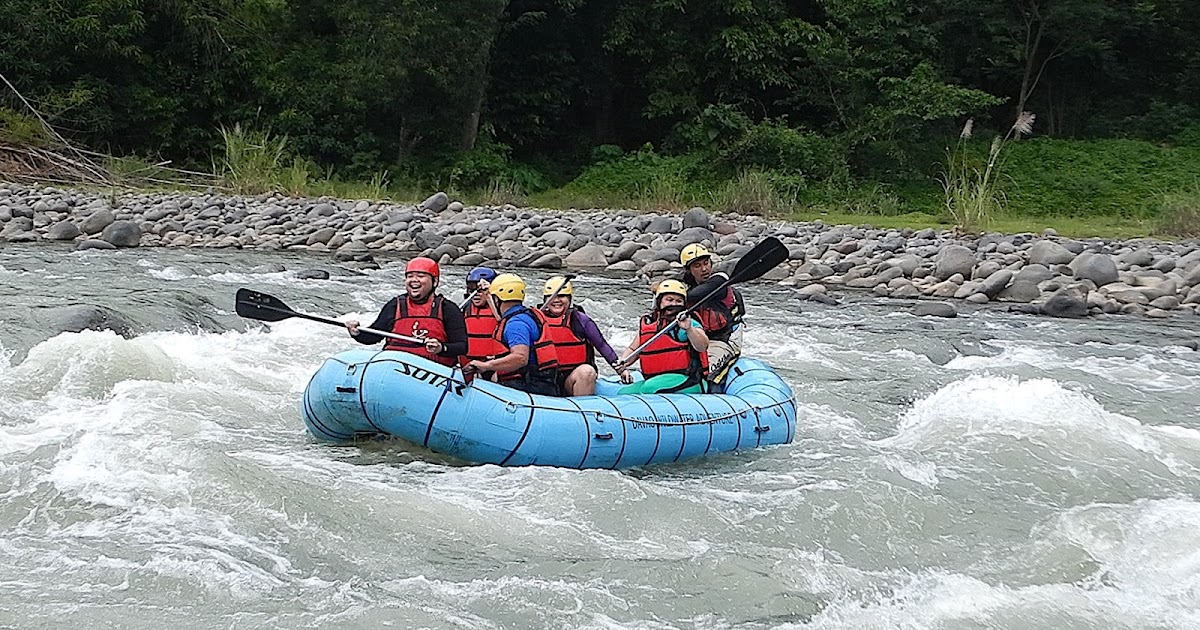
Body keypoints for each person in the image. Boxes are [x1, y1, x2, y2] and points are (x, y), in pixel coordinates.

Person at [345, 257, 467, 366]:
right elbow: (373, 336)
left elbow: (462, 346)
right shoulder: (395, 305)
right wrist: (357, 333)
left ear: (434, 281)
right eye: (410, 276)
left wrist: (441, 348)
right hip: (395, 365)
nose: (414, 280)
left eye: (420, 276)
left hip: (432, 369)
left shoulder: (447, 309)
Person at [464, 273, 561, 396]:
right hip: (540, 383)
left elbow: (520, 358)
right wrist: (488, 295)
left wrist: (486, 365)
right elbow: (500, 318)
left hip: (529, 387)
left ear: (497, 299)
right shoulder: (523, 315)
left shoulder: (516, 324)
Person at [616, 280, 709, 394]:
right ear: (659, 302)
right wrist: (623, 363)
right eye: (669, 300)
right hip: (657, 379)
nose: (674, 304)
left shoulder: (688, 323)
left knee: (649, 387)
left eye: (678, 301)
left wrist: (689, 329)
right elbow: (633, 349)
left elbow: (702, 346)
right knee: (624, 393)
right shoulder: (651, 325)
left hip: (689, 380)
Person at [540, 276, 628, 396]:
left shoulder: (580, 320)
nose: (557, 300)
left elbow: (601, 345)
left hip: (572, 378)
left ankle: (582, 405)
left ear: (569, 298)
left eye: (562, 296)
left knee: (587, 371)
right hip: (543, 380)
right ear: (545, 299)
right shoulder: (535, 320)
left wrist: (621, 370)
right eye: (552, 296)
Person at [679, 243, 745, 386]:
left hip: (725, 339)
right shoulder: (687, 286)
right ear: (688, 270)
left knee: (707, 373)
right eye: (697, 266)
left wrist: (669, 293)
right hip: (699, 340)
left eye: (706, 263)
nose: (704, 269)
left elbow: (696, 294)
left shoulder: (719, 281)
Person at [461, 266, 505, 364]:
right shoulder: (465, 308)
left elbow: (501, 321)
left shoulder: (500, 308)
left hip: (493, 363)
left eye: (480, 290)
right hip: (469, 363)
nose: (476, 294)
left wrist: (489, 295)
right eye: (471, 290)